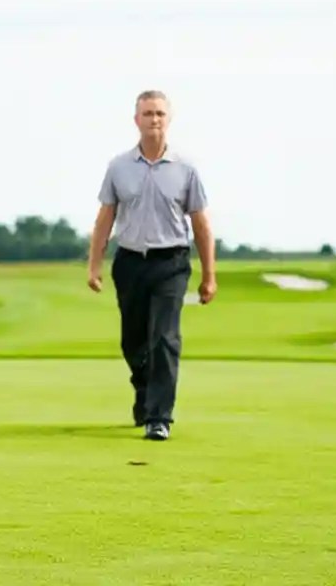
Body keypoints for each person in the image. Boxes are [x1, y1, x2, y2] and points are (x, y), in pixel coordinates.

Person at [87, 90, 217, 441]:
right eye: (147, 114)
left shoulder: (186, 169)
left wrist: (209, 276)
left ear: (168, 119)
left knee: (164, 338)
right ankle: (144, 393)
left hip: (171, 262)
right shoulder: (118, 167)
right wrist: (94, 266)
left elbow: (201, 225)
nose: (154, 119)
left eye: (159, 113)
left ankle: (159, 417)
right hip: (130, 262)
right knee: (133, 342)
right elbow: (105, 218)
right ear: (136, 120)